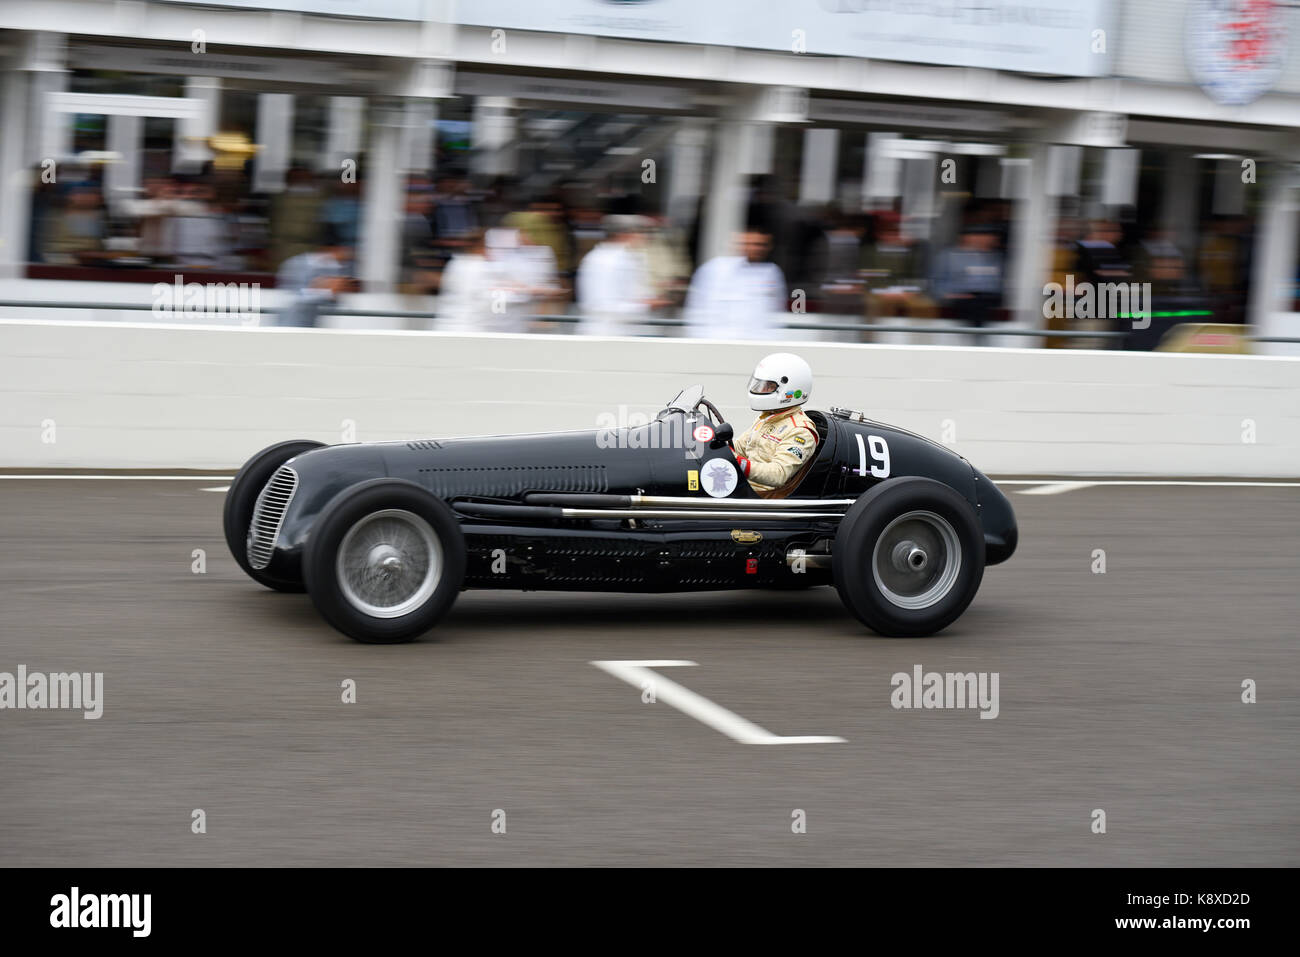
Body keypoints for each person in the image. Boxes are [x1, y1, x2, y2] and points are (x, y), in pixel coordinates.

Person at [731, 353, 819, 497]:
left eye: (768, 386)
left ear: (789, 390)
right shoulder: (767, 417)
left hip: (763, 496)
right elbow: (738, 449)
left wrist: (741, 464)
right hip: (742, 486)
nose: (761, 390)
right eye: (759, 385)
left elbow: (779, 474)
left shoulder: (801, 431)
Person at [683, 224, 787, 340]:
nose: (756, 249)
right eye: (749, 244)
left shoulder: (772, 273)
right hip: (719, 344)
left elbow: (774, 313)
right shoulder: (714, 269)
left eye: (761, 245)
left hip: (757, 346)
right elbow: (698, 312)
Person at [274, 227, 354, 327]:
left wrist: (334, 294)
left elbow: (331, 302)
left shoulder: (334, 268)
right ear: (329, 249)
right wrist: (327, 292)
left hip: (311, 324)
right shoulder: (298, 264)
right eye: (340, 250)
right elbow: (294, 296)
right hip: (289, 322)